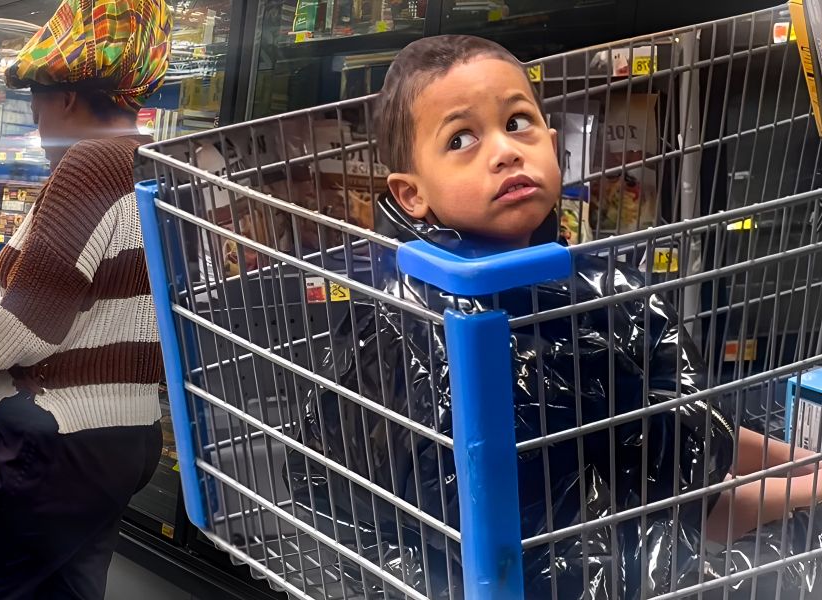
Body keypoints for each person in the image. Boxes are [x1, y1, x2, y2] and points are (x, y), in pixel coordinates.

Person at [286, 36, 822, 598]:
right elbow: (610, 529)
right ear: (411, 193)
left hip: (597, 507)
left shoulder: (571, 290)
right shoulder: (435, 332)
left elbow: (676, 429)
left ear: (552, 141)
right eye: (462, 139)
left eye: (518, 122)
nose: (505, 151)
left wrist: (802, 464)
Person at [0, 1, 169, 598]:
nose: (33, 116)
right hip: (126, 438)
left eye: (34, 97)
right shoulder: (160, 163)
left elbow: (13, 336)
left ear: (66, 95)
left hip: (49, 444)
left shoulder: (89, 167)